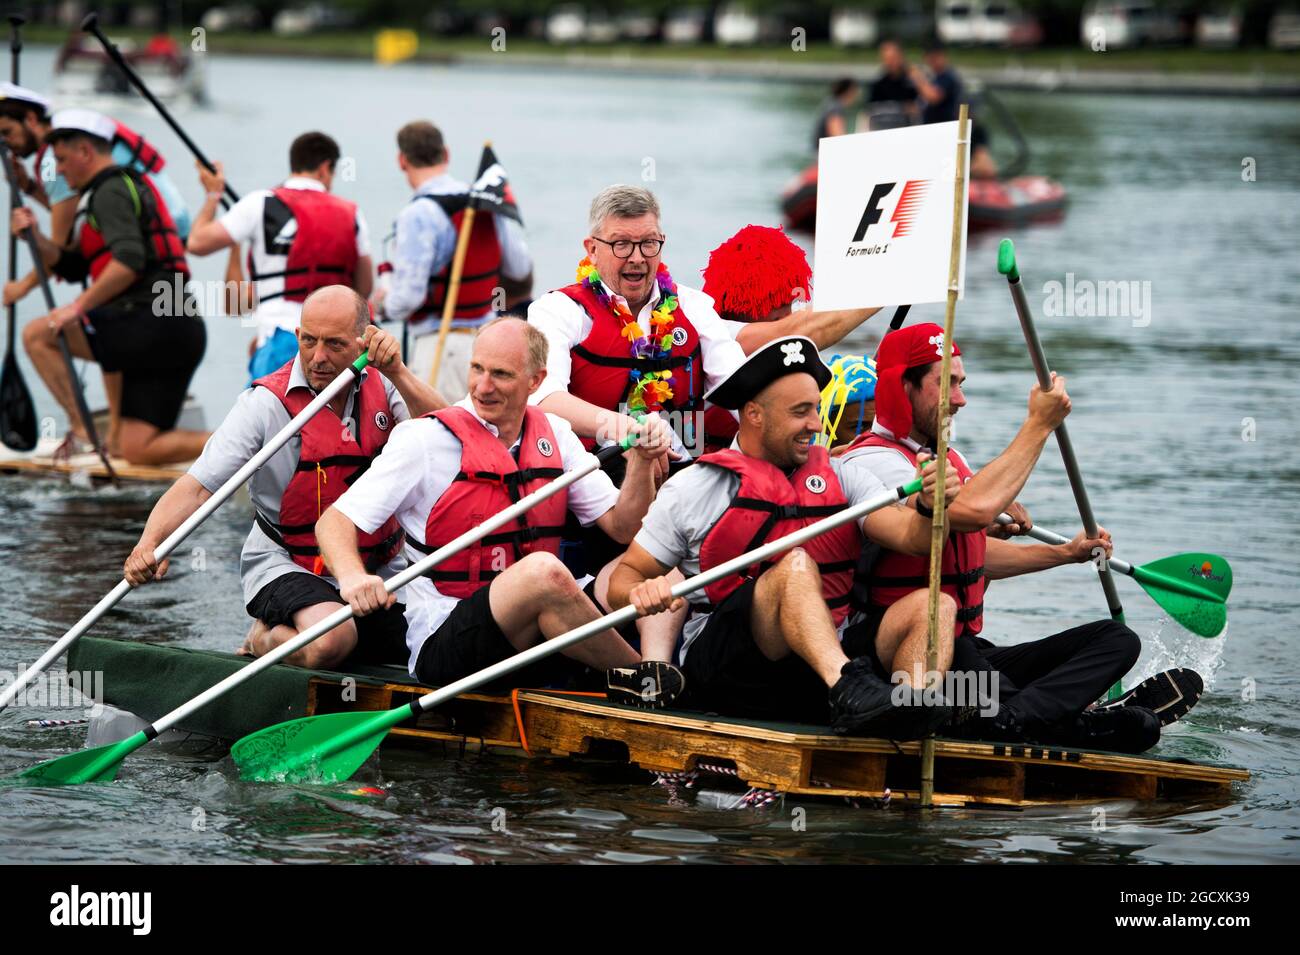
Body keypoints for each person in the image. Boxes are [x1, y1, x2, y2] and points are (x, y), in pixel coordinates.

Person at [839, 322, 1176, 753]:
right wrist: (1039, 424)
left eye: (961, 384)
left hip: (966, 647)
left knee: (1116, 640)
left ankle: (1021, 718)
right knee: (1140, 728)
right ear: (902, 386)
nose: (960, 399)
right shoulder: (873, 462)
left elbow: (976, 556)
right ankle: (1056, 719)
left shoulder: (952, 458)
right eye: (947, 385)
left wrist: (1064, 554)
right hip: (903, 651)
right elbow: (971, 511)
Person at [606, 336, 962, 736]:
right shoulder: (693, 487)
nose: (815, 423)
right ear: (755, 415)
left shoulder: (843, 475)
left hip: (823, 661)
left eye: (816, 408)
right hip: (736, 669)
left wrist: (933, 506)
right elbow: (625, 577)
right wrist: (640, 593)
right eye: (800, 412)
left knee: (935, 605)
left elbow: (913, 538)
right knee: (795, 564)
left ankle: (907, 712)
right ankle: (848, 690)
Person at [315, 317, 674, 689]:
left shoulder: (556, 434)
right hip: (448, 636)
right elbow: (334, 521)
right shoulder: (423, 439)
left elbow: (625, 526)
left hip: (536, 624)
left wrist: (642, 463)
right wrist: (353, 576)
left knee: (660, 563)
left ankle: (658, 666)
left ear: (535, 380)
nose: (482, 387)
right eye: (477, 369)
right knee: (543, 573)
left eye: (501, 374)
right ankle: (644, 680)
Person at [122, 287, 447, 670]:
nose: (318, 357)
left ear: (364, 341)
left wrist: (399, 371)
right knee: (331, 642)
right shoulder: (263, 405)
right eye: (309, 341)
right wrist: (150, 542)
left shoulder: (385, 384)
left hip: (374, 568)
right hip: (289, 561)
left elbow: (446, 438)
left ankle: (333, 632)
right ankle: (264, 637)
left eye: (335, 344)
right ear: (297, 336)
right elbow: (197, 488)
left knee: (427, 646)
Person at [10, 109, 207, 465]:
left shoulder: (111, 190)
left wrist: (77, 308)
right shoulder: (103, 192)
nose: (61, 170)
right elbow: (72, 265)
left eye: (63, 160)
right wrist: (35, 236)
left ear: (86, 151)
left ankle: (84, 433)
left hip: (154, 322)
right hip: (176, 328)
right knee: (134, 449)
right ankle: (250, 445)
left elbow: (128, 262)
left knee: (39, 334)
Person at [528, 185, 746, 463]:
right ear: (592, 249)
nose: (637, 257)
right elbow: (545, 399)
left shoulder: (695, 306)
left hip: (687, 474)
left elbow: (741, 388)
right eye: (621, 244)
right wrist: (632, 433)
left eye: (649, 243)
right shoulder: (558, 310)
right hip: (594, 475)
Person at [185, 131, 374, 381]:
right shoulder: (352, 213)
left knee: (265, 418)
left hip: (280, 339)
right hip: (337, 352)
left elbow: (196, 243)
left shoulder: (259, 203)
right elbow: (364, 288)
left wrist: (213, 194)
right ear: (325, 168)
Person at [375, 121, 533, 400]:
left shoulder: (417, 214)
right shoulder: (485, 201)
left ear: (402, 160)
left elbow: (408, 299)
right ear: (446, 154)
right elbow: (519, 267)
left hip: (440, 347)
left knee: (436, 435)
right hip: (486, 346)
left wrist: (382, 304)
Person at [698, 224, 881, 451]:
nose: (787, 314)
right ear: (741, 301)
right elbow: (803, 329)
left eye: (790, 303)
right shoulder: (717, 332)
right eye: (775, 303)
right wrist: (890, 283)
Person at [911, 41, 998, 179]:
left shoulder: (947, 77)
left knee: (983, 164)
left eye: (935, 57)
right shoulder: (934, 79)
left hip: (955, 132)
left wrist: (918, 78)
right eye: (929, 58)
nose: (932, 61)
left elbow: (934, 96)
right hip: (938, 135)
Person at [867, 40, 919, 128]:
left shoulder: (913, 82)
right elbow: (870, 112)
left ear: (901, 57)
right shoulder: (878, 85)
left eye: (893, 58)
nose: (890, 62)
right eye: (886, 59)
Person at [813, 77, 859, 148]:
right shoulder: (835, 108)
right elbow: (838, 137)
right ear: (850, 91)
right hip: (823, 155)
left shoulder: (830, 102)